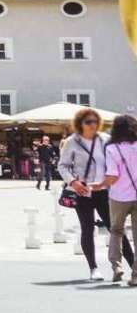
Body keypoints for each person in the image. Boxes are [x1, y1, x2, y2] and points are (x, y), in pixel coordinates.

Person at [59, 108, 134, 281]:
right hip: (82, 190)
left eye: (95, 121)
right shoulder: (72, 141)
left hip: (103, 190)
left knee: (115, 228)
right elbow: (63, 166)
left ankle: (131, 264)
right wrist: (73, 182)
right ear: (80, 124)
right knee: (87, 227)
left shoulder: (106, 140)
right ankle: (93, 268)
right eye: (88, 122)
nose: (92, 125)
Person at [103, 115, 137, 287]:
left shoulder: (111, 149)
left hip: (118, 196)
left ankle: (116, 267)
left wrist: (100, 185)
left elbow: (112, 175)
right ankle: (136, 275)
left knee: (116, 231)